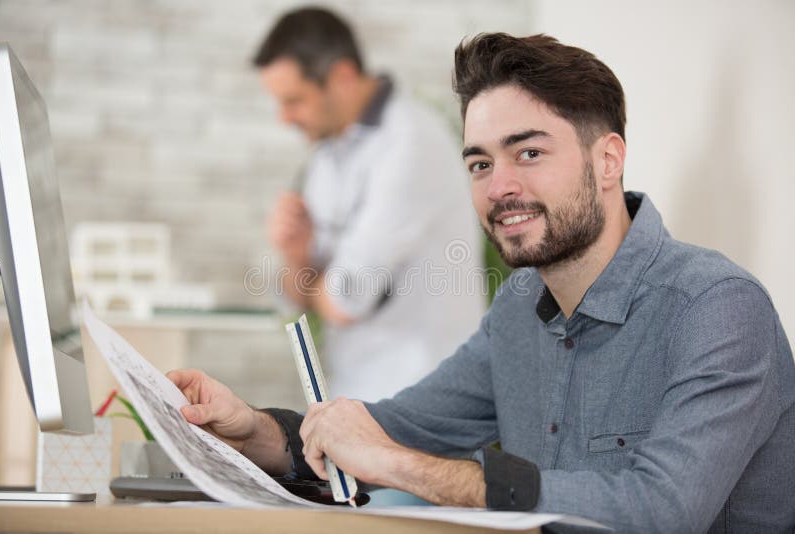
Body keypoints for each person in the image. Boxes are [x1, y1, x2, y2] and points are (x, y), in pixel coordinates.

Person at [170, 33, 795, 532]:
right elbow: (397, 427)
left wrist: (403, 469)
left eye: (528, 153)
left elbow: (662, 510)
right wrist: (255, 429)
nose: (498, 187)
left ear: (607, 161)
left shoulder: (717, 308)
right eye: (479, 162)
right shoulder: (521, 306)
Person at [257, 7, 484, 403]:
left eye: (294, 100)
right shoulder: (328, 153)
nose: (284, 118)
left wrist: (309, 277)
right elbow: (302, 291)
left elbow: (346, 299)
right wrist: (296, 256)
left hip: (421, 401)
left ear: (342, 77)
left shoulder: (410, 144)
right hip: (357, 395)